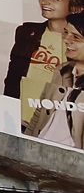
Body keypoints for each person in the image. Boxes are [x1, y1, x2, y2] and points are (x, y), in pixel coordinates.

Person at [4, 0, 83, 127]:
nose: (44, 1)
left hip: (56, 123)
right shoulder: (27, 32)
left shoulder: (77, 45)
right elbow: (12, 77)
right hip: (22, 117)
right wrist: (7, 110)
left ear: (75, 7)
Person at [25, 13, 84, 147]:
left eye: (75, 37)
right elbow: (40, 111)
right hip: (40, 145)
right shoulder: (62, 70)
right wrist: (26, 142)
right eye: (66, 33)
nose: (66, 40)